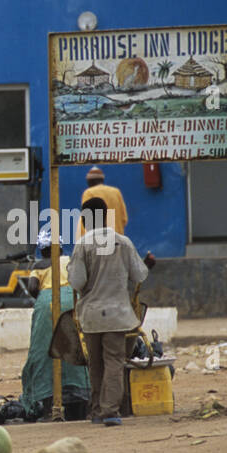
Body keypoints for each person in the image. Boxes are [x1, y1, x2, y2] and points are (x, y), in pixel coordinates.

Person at [67, 197, 148, 426]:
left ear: (84, 219)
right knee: (114, 360)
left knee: (95, 363)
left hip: (91, 315)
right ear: (105, 216)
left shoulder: (82, 244)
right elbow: (140, 275)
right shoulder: (123, 241)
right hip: (118, 313)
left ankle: (96, 410)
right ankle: (110, 411)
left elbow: (77, 281)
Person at [76, 165, 128, 239]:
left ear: (90, 181)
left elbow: (86, 219)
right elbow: (124, 218)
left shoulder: (89, 192)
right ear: (102, 179)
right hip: (117, 238)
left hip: (97, 240)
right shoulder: (116, 192)